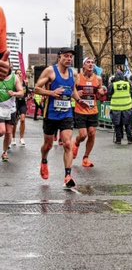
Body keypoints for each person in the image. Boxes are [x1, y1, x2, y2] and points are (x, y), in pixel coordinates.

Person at [35, 48, 80, 188]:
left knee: (67, 143)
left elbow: (72, 90)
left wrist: (79, 100)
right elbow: (36, 88)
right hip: (51, 114)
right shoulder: (50, 71)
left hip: (66, 114)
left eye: (71, 57)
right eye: (66, 56)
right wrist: (51, 93)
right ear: (59, 57)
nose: (69, 59)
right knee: (48, 145)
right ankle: (44, 160)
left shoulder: (73, 73)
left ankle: (67, 175)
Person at [73, 57, 106, 167]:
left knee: (92, 133)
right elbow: (71, 91)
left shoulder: (98, 79)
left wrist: (101, 93)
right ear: (84, 65)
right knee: (83, 135)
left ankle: (86, 158)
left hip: (93, 110)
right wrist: (78, 94)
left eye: (92, 63)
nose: (91, 64)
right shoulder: (77, 77)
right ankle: (76, 143)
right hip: (80, 110)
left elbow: (100, 95)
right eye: (88, 62)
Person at [0, 66, 24, 161]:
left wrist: (14, 93)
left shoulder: (14, 78)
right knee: (2, 131)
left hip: (11, 109)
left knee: (8, 133)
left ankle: (5, 152)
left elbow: (21, 92)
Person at [109, 67, 132, 143]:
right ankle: (130, 140)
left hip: (116, 108)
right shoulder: (128, 84)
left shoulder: (113, 85)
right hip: (127, 107)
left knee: (118, 125)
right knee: (128, 125)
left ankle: (118, 140)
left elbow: (109, 94)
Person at [15, 76, 29, 145]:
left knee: (22, 120)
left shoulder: (24, 83)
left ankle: (22, 138)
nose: (19, 75)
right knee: (14, 122)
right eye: (17, 73)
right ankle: (13, 138)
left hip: (23, 103)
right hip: (15, 103)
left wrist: (26, 86)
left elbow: (27, 94)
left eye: (20, 73)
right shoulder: (13, 83)